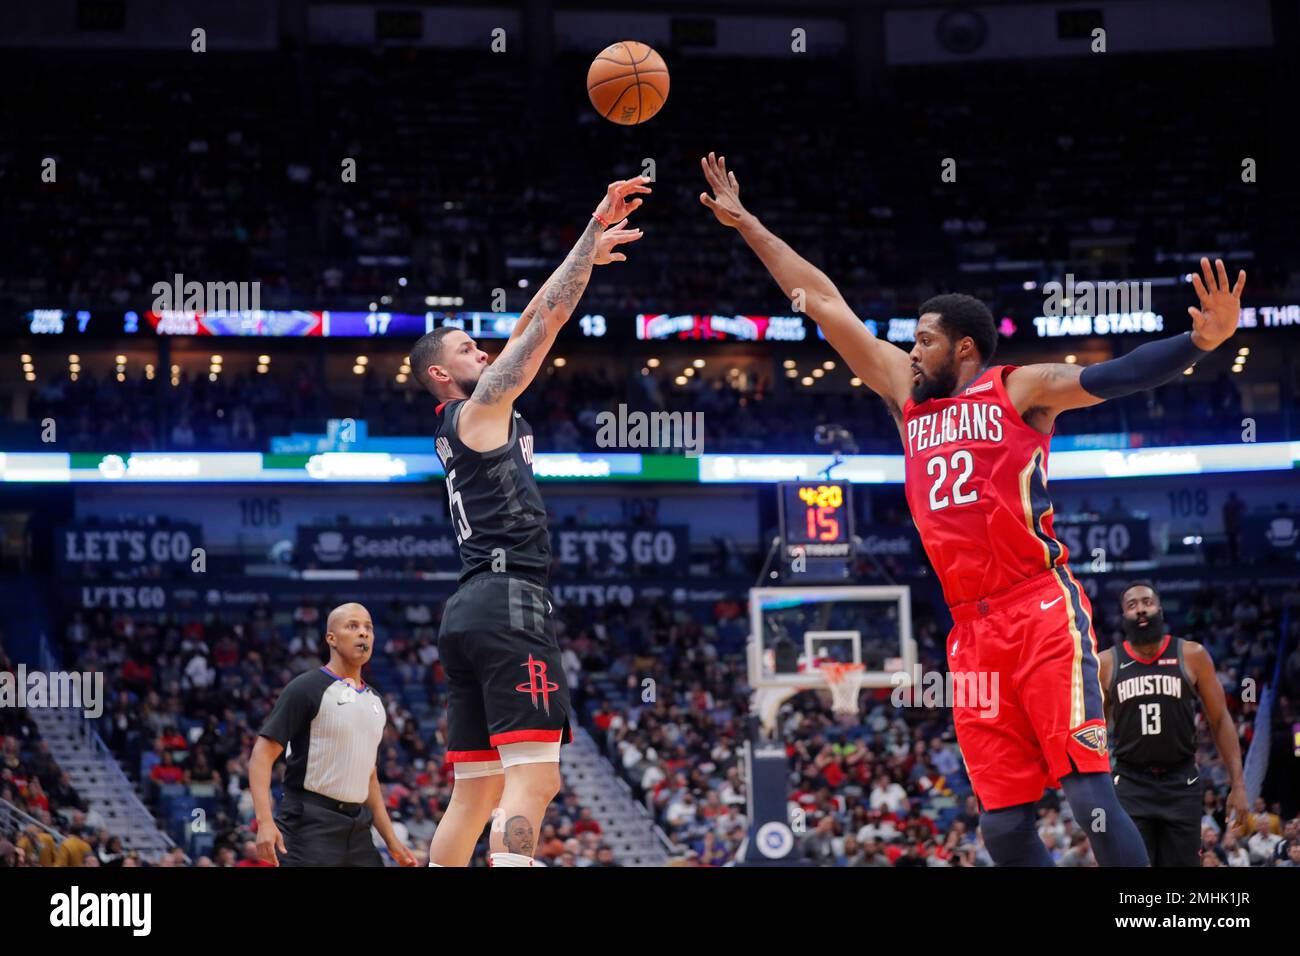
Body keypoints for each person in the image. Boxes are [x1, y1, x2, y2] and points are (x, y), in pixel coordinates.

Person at [700, 149, 1246, 866]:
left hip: (1041, 611)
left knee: (1089, 801)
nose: (910, 348)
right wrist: (749, 226)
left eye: (923, 339)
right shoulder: (905, 395)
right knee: (1003, 827)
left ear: (962, 347)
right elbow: (824, 301)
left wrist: (1197, 343)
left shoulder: (1020, 389)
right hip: (972, 632)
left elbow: (1112, 377)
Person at [414, 176, 648, 868]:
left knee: (473, 793)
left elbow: (524, 326)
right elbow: (543, 325)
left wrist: (585, 245)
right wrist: (588, 234)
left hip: (467, 610)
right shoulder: (476, 411)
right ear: (439, 374)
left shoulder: (463, 423)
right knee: (536, 776)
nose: (481, 353)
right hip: (510, 598)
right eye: (465, 350)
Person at [249, 602, 416, 867]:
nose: (363, 633)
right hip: (308, 824)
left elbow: (369, 776)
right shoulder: (305, 687)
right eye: (353, 626)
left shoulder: (375, 700)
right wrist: (265, 822)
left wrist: (391, 840)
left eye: (368, 628)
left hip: (358, 827)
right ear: (331, 638)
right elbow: (261, 756)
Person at [1099, 581, 1248, 866]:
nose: (1141, 609)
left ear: (1160, 609)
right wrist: (1097, 788)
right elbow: (1096, 732)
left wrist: (1238, 785)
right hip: (1130, 783)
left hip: (1182, 782)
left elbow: (1219, 720)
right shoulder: (1107, 662)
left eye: (1147, 602)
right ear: (1123, 616)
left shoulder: (1192, 655)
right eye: (1132, 605)